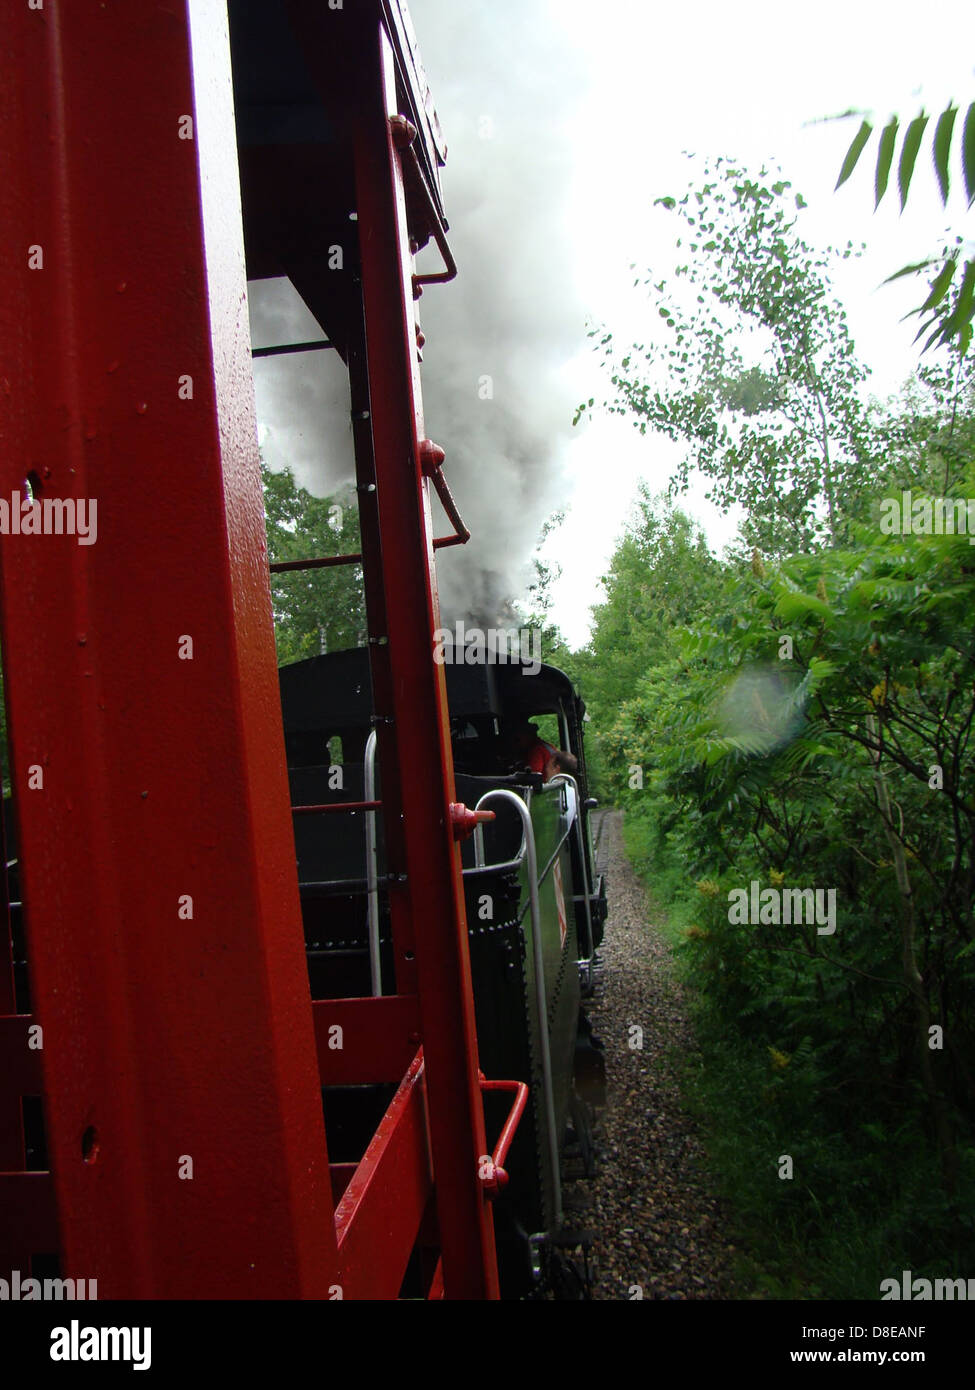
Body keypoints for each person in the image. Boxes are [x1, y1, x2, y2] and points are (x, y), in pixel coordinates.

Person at [508, 720, 578, 783]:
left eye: (518, 739)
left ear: (527, 736)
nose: (518, 743)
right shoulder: (549, 746)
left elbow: (533, 777)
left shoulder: (536, 751)